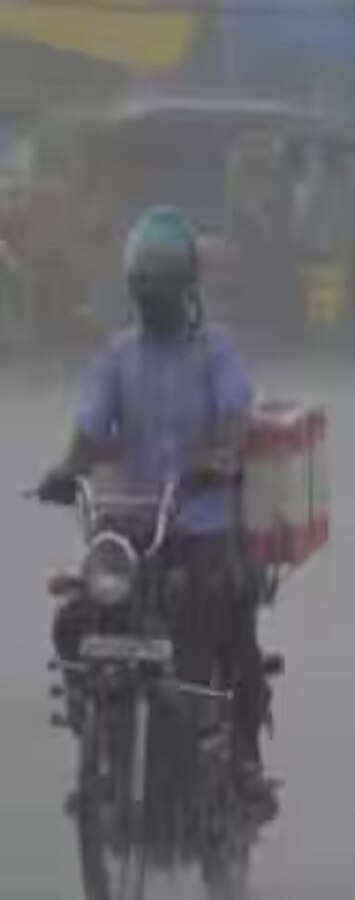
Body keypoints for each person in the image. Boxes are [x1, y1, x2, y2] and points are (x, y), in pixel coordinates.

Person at [38, 206, 276, 821]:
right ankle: (99, 738)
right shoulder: (117, 356)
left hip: (204, 527)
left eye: (162, 291)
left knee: (227, 629)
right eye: (144, 290)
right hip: (135, 529)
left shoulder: (217, 349)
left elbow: (234, 410)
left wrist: (222, 453)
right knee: (77, 619)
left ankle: (244, 761)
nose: (153, 303)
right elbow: (92, 425)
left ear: (185, 290)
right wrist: (66, 470)